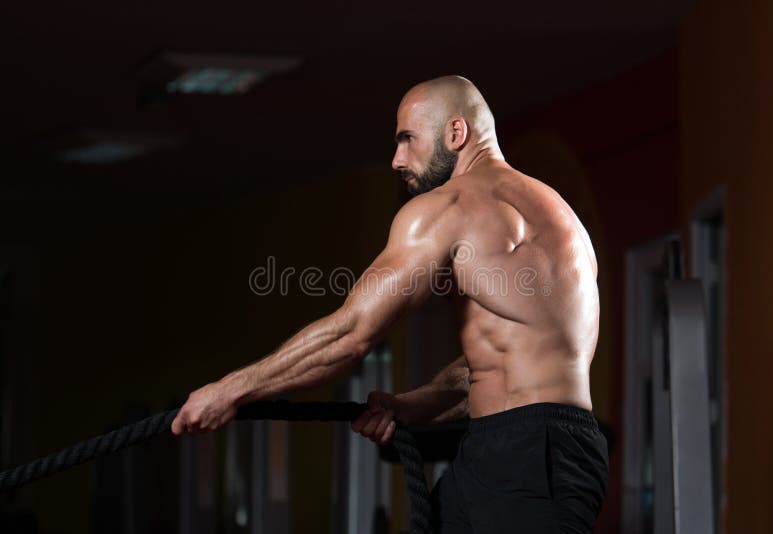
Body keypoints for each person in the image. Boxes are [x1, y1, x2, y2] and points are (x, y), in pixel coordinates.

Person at [171, 75, 609, 533]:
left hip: (530, 460)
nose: (397, 159)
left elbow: (351, 333)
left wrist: (231, 390)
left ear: (455, 134)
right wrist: (416, 404)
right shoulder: (560, 216)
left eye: (408, 139)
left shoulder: (449, 206)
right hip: (529, 448)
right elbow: (513, 353)